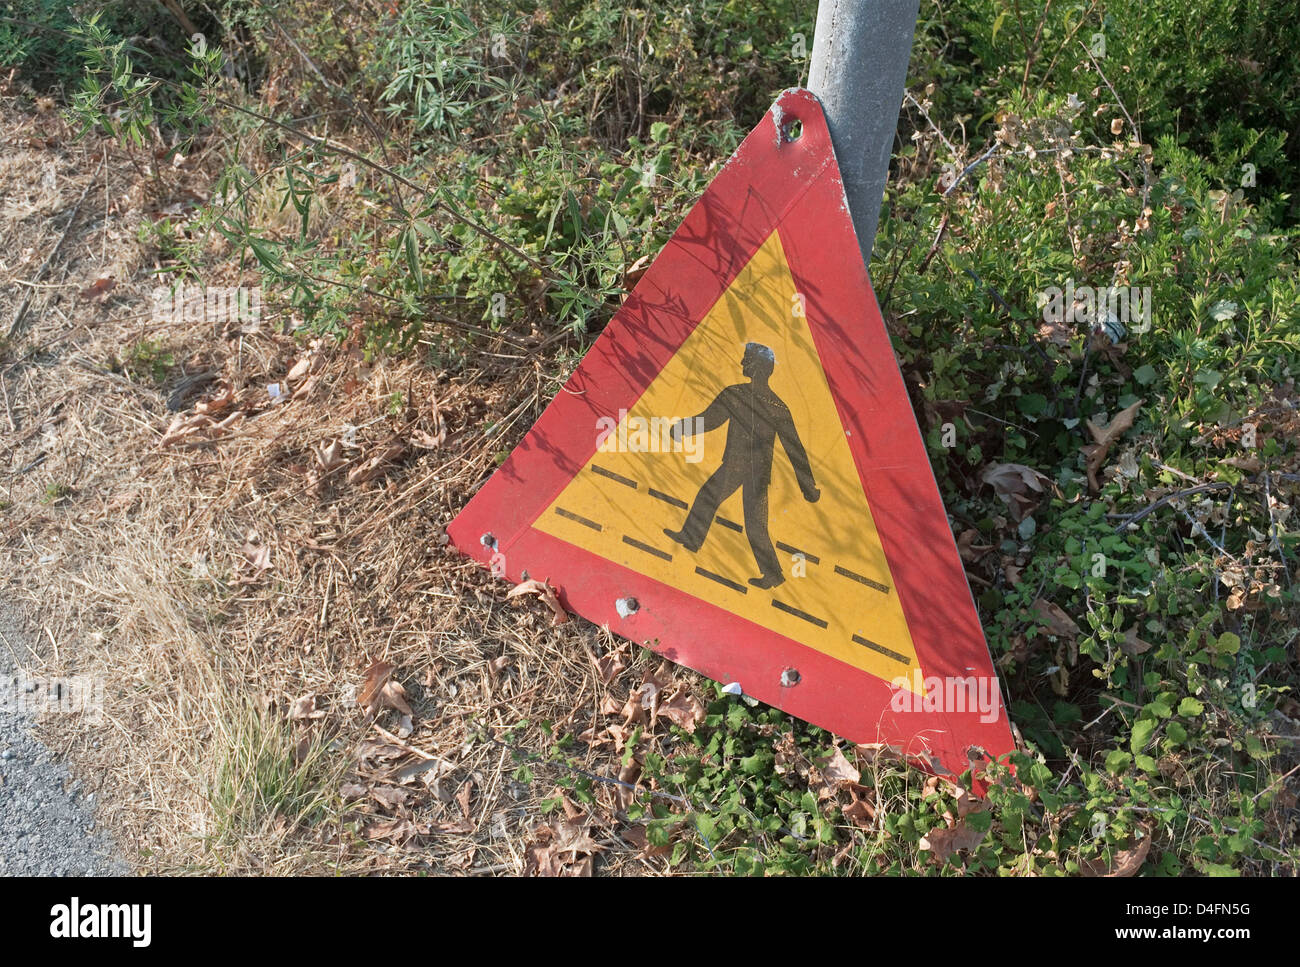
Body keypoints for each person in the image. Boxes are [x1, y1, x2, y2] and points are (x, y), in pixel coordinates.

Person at [663, 342, 819, 588]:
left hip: (739, 466)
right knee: (747, 519)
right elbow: (795, 450)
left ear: (757, 367)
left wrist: (680, 429)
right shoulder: (773, 404)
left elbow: (794, 448)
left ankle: (694, 539)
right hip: (757, 471)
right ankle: (772, 573)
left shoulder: (741, 395)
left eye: (747, 359)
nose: (742, 363)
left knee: (718, 502)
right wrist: (808, 487)